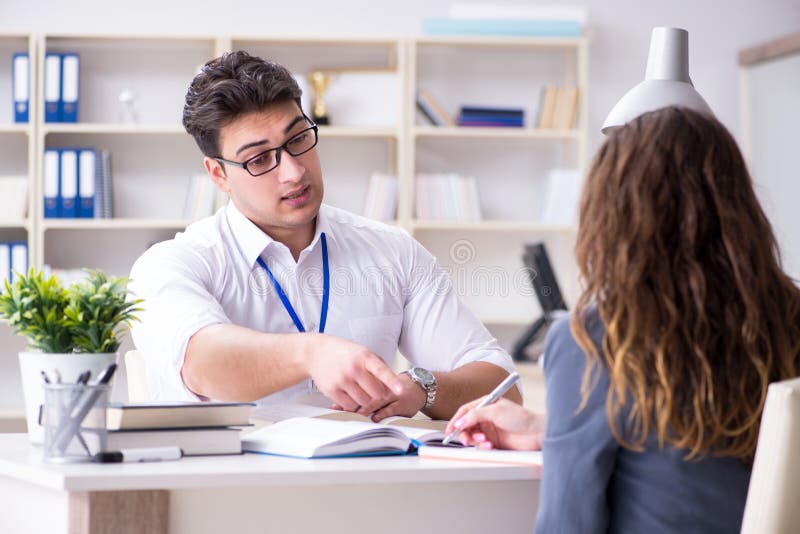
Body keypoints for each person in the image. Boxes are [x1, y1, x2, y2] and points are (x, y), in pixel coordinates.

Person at [447, 107, 800, 532]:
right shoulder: (787, 317)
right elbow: (691, 453)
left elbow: (567, 525)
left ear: (611, 218)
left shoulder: (596, 337)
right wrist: (552, 429)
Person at [129, 50, 520, 421]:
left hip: (365, 479)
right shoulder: (170, 264)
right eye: (259, 158)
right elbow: (203, 363)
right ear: (218, 174)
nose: (294, 172)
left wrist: (421, 389)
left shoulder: (392, 250)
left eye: (298, 139)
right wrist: (310, 353)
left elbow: (503, 388)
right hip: (231, 485)